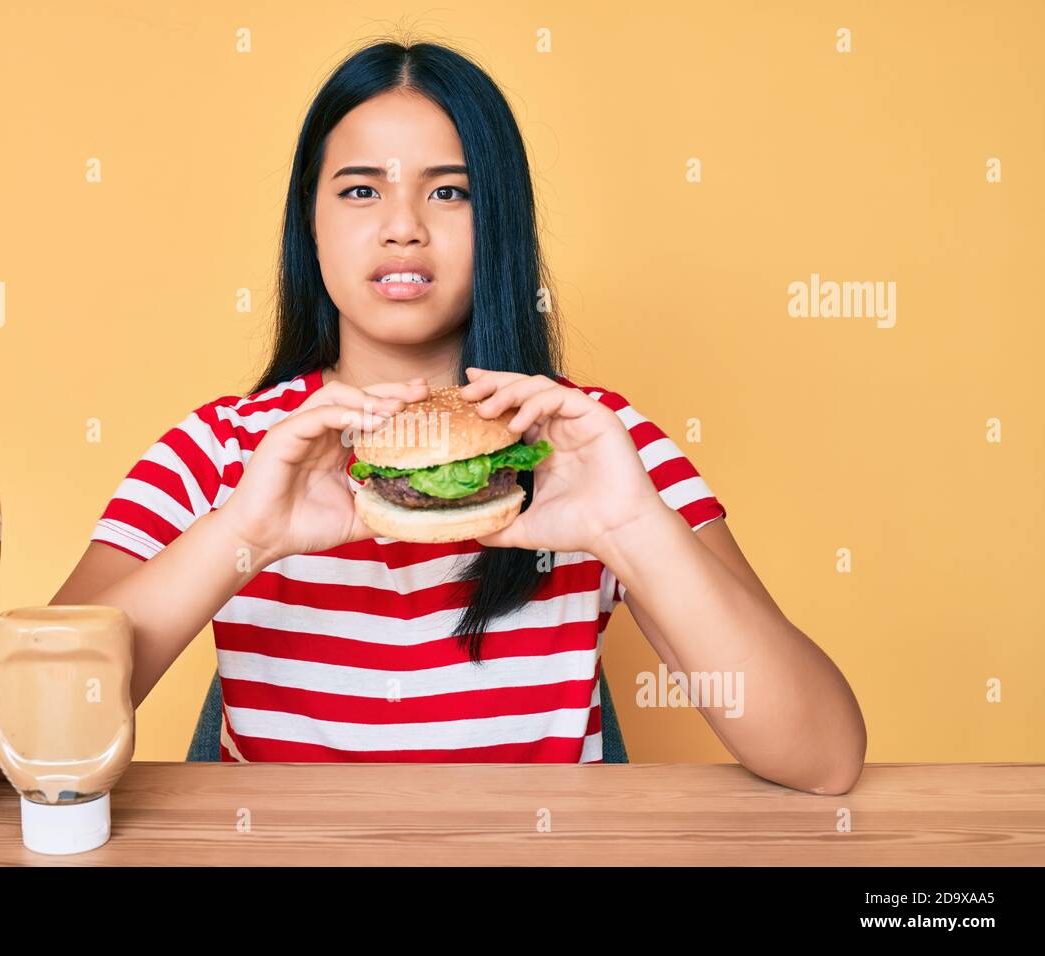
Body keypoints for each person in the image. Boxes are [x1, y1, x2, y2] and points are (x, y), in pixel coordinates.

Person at [52, 39, 866, 792]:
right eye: (362, 190)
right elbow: (38, 733)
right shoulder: (218, 449)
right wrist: (243, 538)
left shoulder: (591, 441)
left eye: (449, 191)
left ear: (499, 222)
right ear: (311, 220)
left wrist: (629, 531)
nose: (403, 228)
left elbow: (824, 757)